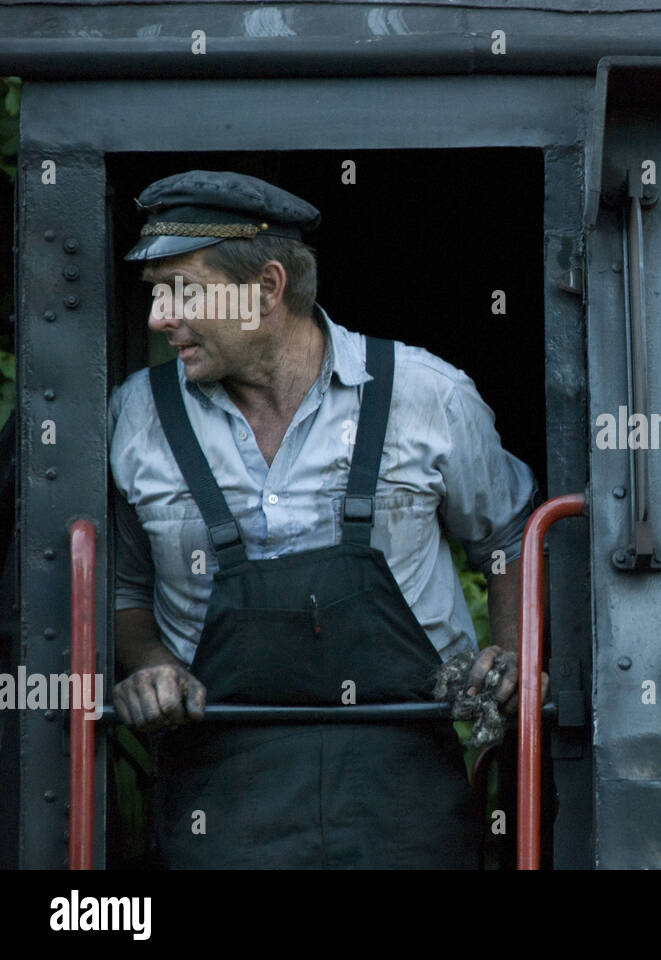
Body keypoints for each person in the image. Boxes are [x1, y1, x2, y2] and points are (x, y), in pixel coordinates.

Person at [109, 170, 538, 867]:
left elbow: (510, 540)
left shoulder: (428, 396)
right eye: (156, 293)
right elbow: (125, 590)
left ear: (268, 288)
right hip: (218, 791)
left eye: (182, 289)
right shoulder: (137, 417)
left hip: (406, 782)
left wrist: (511, 662)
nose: (159, 316)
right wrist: (152, 667)